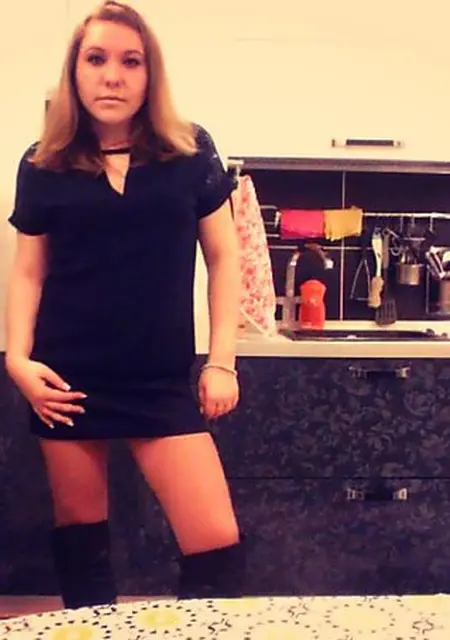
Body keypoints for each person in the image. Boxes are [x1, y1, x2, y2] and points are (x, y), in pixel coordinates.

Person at [5, 0, 244, 609]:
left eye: (130, 61)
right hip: (66, 378)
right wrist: (18, 360)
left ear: (150, 73)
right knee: (83, 549)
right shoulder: (43, 162)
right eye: (96, 59)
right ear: (75, 71)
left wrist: (222, 361)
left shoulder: (190, 152)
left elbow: (224, 258)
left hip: (158, 380)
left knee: (216, 550)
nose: (112, 76)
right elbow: (28, 272)